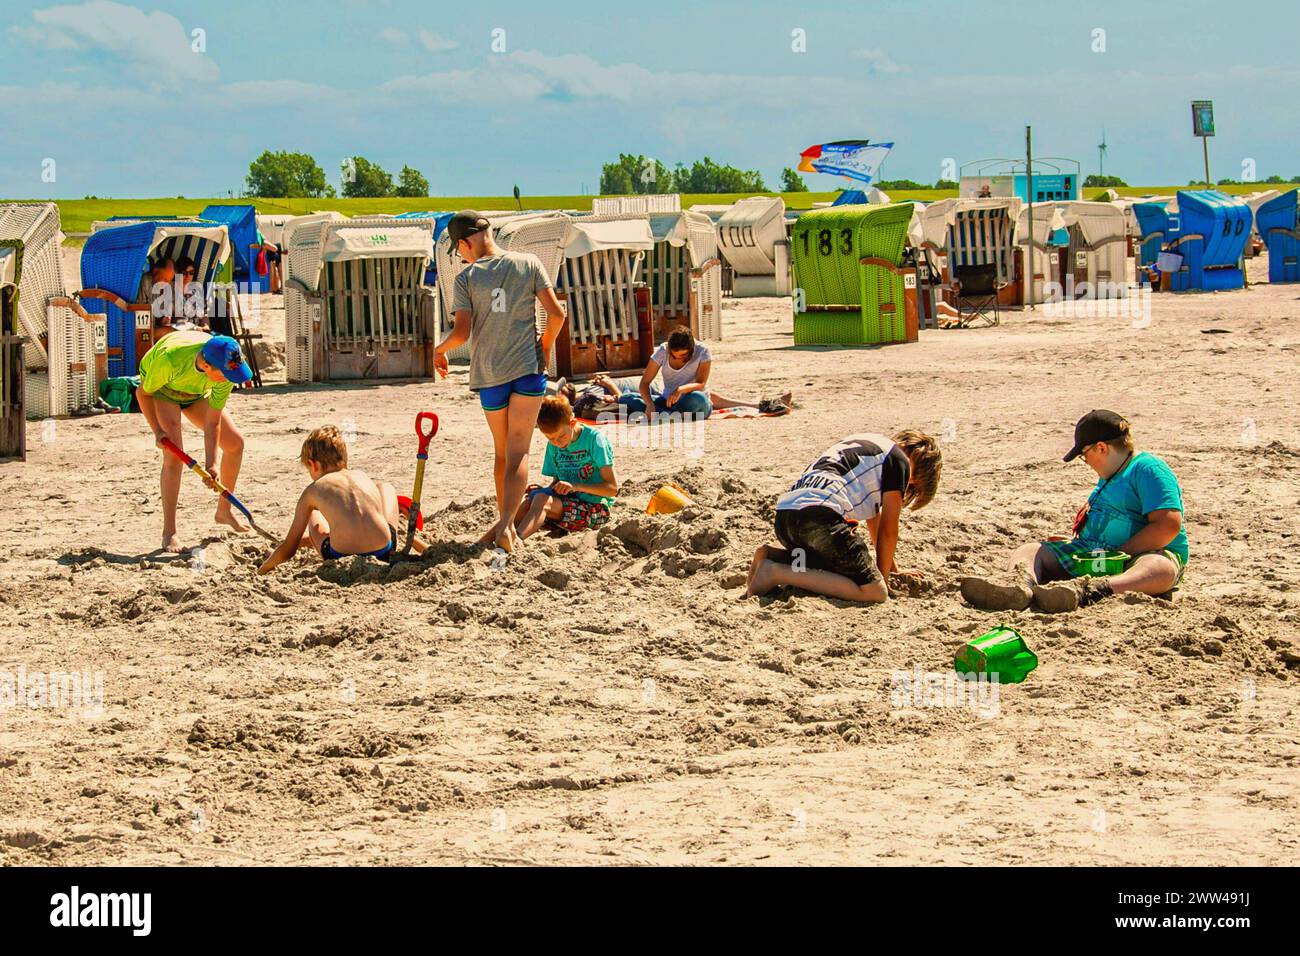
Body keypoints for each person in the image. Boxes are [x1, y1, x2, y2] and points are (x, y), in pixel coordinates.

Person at [432, 211, 567, 553]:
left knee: (502, 452)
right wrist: (546, 344)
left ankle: (503, 522)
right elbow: (557, 315)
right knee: (520, 450)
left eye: (459, 250)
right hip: (528, 368)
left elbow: (461, 333)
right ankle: (506, 525)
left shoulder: (466, 279)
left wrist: (439, 350)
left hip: (491, 374)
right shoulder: (528, 263)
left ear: (464, 243)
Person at [960, 410, 1187, 613]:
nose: (1085, 461)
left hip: (1138, 556)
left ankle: (1092, 590)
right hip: (1094, 553)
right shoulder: (1111, 473)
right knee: (1031, 550)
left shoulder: (1148, 469)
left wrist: (1119, 553)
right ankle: (1019, 586)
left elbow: (1167, 525)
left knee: (1160, 569)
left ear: (1102, 447)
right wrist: (1080, 541)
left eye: (1084, 454)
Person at [745, 430, 943, 603]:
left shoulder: (868, 445)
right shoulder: (900, 462)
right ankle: (776, 572)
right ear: (918, 474)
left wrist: (893, 569)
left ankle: (772, 556)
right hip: (820, 517)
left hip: (785, 517)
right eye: (911, 486)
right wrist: (881, 580)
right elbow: (888, 530)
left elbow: (875, 522)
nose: (906, 488)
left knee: (832, 565)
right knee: (875, 592)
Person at [135, 331, 251, 553]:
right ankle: (169, 533)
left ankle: (224, 511)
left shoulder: (225, 371)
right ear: (207, 366)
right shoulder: (170, 359)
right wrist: (157, 431)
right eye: (225, 374)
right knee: (174, 455)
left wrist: (211, 464)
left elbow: (212, 422)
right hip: (162, 390)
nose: (230, 379)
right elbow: (143, 393)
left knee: (235, 443)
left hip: (195, 393)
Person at [258, 425, 419, 573]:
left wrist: (263, 569)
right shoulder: (361, 476)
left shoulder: (313, 489)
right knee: (385, 487)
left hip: (342, 558)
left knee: (313, 512)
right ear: (344, 458)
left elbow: (288, 550)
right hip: (385, 552)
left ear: (312, 464)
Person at [513, 395, 618, 541]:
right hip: (565, 506)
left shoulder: (595, 439)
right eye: (550, 438)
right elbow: (558, 482)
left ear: (573, 422)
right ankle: (494, 538)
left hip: (596, 511)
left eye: (560, 436)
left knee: (541, 500)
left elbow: (612, 489)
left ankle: (516, 540)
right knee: (527, 501)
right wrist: (546, 489)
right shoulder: (554, 445)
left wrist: (575, 486)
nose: (556, 442)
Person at [556, 372, 792, 421]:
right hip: (647, 393)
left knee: (709, 395)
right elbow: (620, 401)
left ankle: (761, 404)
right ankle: (761, 405)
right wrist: (609, 384)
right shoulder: (585, 404)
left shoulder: (584, 392)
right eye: (561, 391)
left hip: (648, 388)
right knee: (706, 396)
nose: (565, 387)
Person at [618, 326, 716, 421]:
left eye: (683, 355)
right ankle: (669, 415)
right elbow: (644, 383)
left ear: (692, 349)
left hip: (692, 401)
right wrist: (650, 405)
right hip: (668, 402)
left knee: (698, 398)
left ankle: (665, 414)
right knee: (627, 398)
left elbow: (701, 383)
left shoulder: (703, 351)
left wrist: (680, 390)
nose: (678, 358)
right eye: (674, 356)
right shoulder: (663, 351)